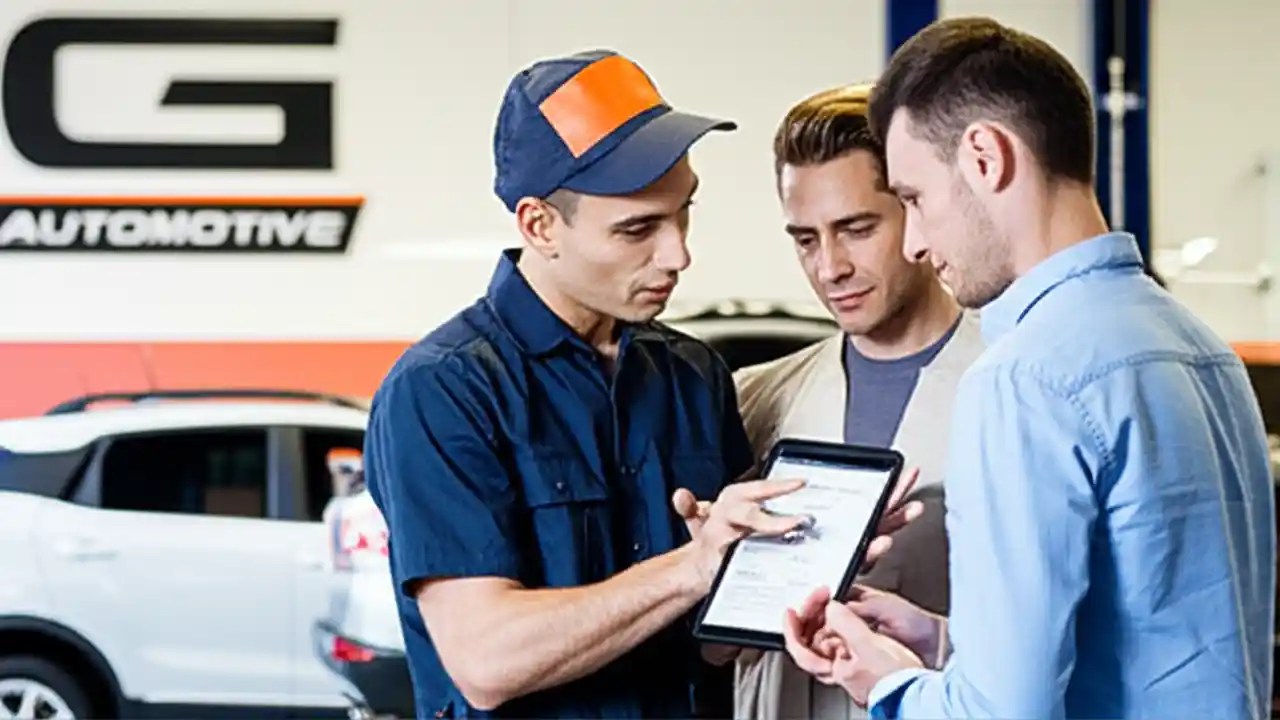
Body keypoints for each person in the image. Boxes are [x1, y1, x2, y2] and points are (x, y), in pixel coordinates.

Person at [361, 49, 913, 719]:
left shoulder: (693, 376)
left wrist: (808, 552)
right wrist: (691, 567)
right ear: (540, 225)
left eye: (683, 213)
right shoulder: (443, 392)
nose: (677, 253)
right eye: (637, 229)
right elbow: (486, 660)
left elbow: (712, 645)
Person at [781, 17, 1276, 720]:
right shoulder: (1199, 347)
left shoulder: (1022, 379)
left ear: (985, 157)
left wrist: (888, 688)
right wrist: (941, 643)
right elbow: (1156, 645)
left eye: (914, 199)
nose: (915, 242)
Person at [722, 84, 985, 720]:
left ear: (916, 212)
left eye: (856, 229)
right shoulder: (752, 400)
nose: (829, 267)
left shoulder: (1011, 385)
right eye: (806, 240)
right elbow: (713, 651)